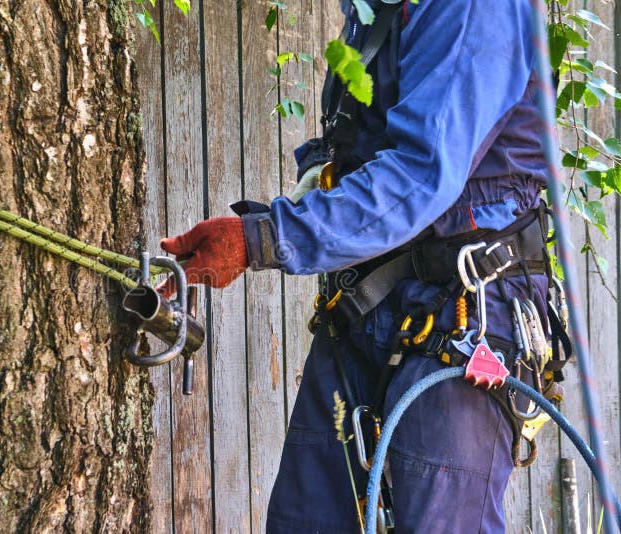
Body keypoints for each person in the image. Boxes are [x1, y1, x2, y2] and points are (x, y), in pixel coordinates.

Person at [158, 0, 559, 531]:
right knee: (308, 519)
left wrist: (266, 238)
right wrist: (305, 198)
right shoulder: (376, 10)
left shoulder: (472, 7)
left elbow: (421, 173)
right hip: (366, 303)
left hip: (467, 312)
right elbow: (358, 147)